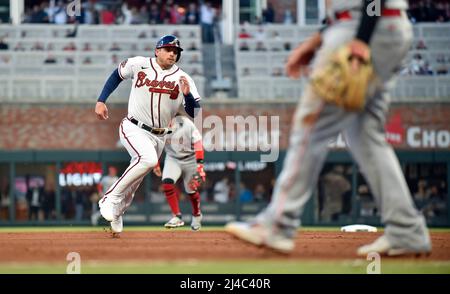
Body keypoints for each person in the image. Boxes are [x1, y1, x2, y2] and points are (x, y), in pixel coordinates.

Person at [225, 0, 432, 256]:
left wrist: (360, 38)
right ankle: (406, 230)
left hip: (361, 26)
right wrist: (319, 39)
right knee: (366, 135)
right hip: (384, 25)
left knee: (312, 127)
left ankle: (278, 224)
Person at [95, 35, 202, 236]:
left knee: (134, 184)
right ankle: (109, 198)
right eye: (169, 49)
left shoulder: (184, 78)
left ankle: (117, 212)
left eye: (176, 51)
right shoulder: (140, 64)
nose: (173, 53)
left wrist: (187, 95)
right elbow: (117, 75)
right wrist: (101, 100)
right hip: (134, 126)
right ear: (157, 50)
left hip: (159, 136)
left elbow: (195, 112)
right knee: (148, 159)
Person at [152, 114, 206, 231]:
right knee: (167, 182)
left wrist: (200, 166)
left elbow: (198, 144)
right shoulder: (160, 126)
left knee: (191, 190)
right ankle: (177, 216)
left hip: (190, 159)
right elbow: (156, 146)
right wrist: (156, 163)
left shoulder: (187, 124)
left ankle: (197, 215)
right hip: (173, 159)